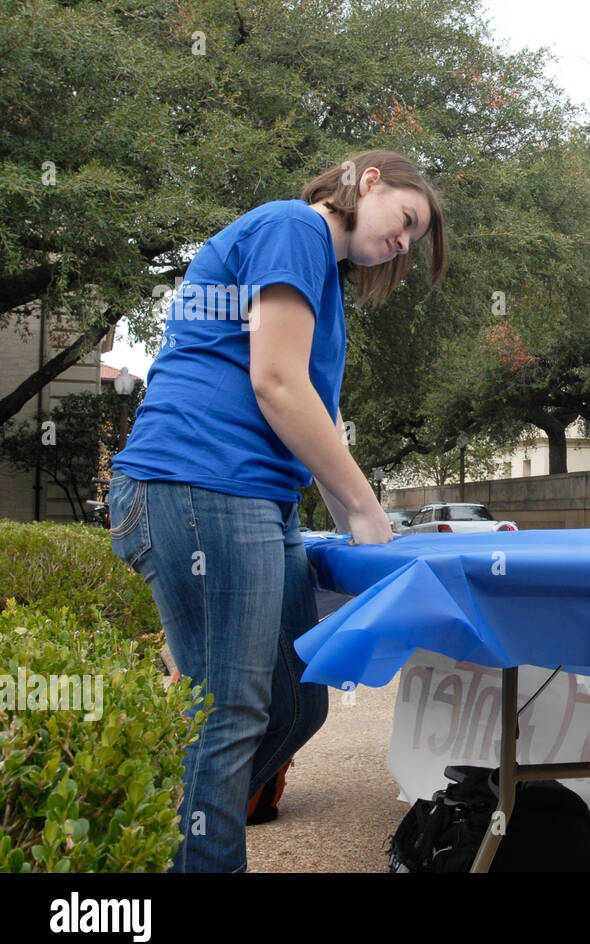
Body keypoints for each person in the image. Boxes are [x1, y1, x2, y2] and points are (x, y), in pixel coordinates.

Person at [109, 150, 447, 871]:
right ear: (369, 180)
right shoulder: (296, 226)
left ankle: (163, 830)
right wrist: (362, 508)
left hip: (253, 498)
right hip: (199, 485)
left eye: (415, 239)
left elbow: (308, 419)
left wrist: (364, 518)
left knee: (299, 701)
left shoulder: (319, 275)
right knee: (230, 710)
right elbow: (275, 383)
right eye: (407, 220)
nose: (404, 243)